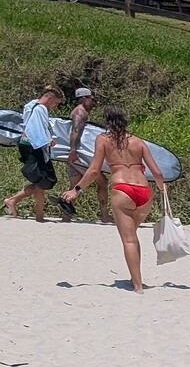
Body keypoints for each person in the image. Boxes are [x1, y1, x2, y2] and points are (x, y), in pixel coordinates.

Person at [60, 107, 166, 293]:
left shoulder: (103, 140)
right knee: (133, 235)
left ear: (107, 123)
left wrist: (76, 190)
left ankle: (138, 286)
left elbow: (94, 170)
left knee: (129, 240)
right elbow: (157, 173)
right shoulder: (138, 142)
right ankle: (137, 278)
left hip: (122, 190)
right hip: (144, 192)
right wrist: (161, 188)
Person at [4, 86, 62, 221]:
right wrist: (47, 141)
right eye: (56, 102)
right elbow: (37, 128)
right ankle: (13, 200)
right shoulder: (41, 109)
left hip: (25, 145)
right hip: (34, 146)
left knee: (40, 179)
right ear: (50, 97)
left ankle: (39, 216)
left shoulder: (30, 105)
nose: (55, 105)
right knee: (45, 180)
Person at [65, 87, 112, 223]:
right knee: (103, 182)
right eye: (91, 99)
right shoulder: (80, 112)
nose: (93, 102)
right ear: (85, 98)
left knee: (75, 186)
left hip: (76, 155)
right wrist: (73, 151)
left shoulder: (80, 111)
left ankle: (65, 214)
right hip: (78, 156)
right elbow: (75, 131)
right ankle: (104, 215)